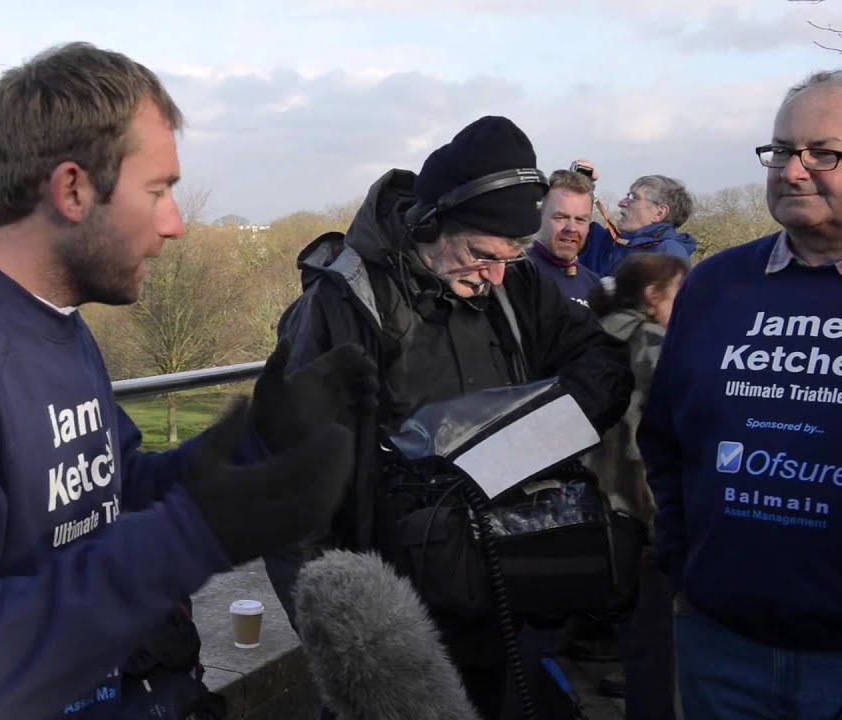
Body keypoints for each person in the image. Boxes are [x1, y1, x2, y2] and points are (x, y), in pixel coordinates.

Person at [0, 42, 377, 720]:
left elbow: (98, 497)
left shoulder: (57, 326)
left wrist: (255, 451)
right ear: (73, 190)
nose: (175, 225)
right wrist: (194, 535)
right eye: (158, 191)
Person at [264, 115, 634, 720]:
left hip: (498, 600)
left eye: (510, 258)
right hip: (394, 620)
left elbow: (603, 363)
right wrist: (347, 645)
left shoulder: (514, 284)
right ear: (427, 224)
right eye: (479, 255)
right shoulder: (341, 308)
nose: (493, 277)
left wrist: (532, 437)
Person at [638, 69, 842, 720]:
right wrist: (684, 574)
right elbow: (664, 439)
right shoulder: (716, 285)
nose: (793, 170)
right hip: (720, 649)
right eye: (781, 150)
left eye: (824, 153)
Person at [583, 253, 689, 720]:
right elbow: (649, 449)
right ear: (653, 297)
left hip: (599, 521)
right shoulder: (654, 346)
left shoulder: (593, 339)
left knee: (636, 647)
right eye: (679, 294)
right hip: (647, 524)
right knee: (659, 655)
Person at [572, 161, 697, 277]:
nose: (621, 203)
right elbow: (562, 225)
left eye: (633, 197)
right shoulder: (607, 243)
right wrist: (577, 187)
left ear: (659, 213)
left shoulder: (667, 253)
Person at [525, 169, 600, 306]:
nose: (571, 228)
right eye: (561, 217)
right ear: (539, 216)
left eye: (580, 220)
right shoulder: (515, 274)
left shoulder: (595, 286)